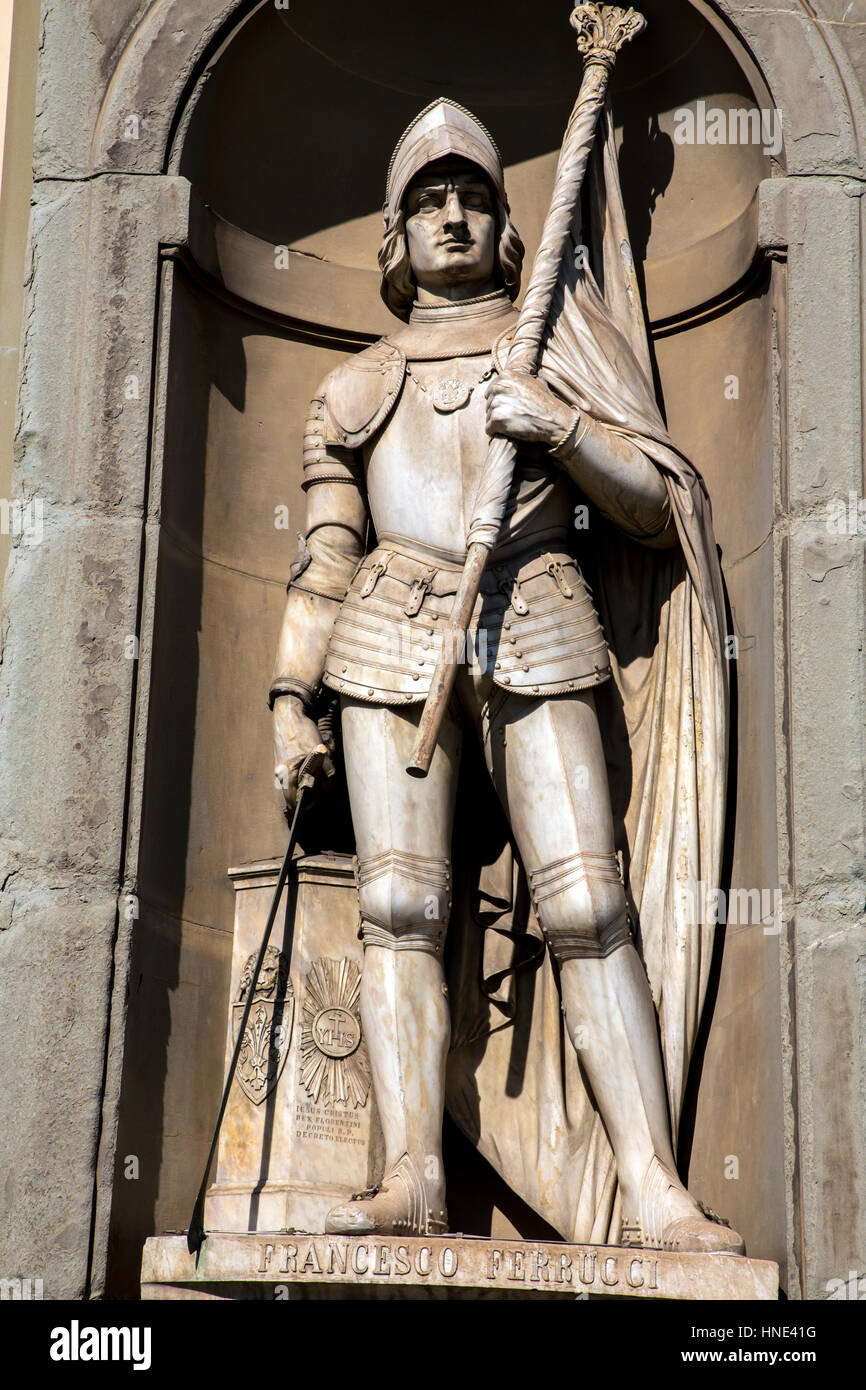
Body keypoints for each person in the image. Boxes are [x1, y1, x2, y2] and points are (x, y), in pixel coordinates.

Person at [270, 99, 744, 1254]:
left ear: (501, 226)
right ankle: (411, 1174)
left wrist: (560, 429)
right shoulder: (357, 385)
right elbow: (327, 556)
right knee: (400, 909)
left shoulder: (559, 349)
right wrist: (289, 700)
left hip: (533, 608)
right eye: (427, 201)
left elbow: (651, 505)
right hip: (386, 626)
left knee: (587, 904)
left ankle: (651, 1188)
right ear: (393, 236)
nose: (450, 214)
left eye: (472, 197)